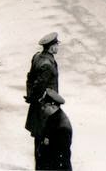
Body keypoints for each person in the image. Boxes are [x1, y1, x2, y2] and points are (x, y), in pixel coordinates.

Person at [26, 33, 60, 165]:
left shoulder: (37, 57)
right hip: (45, 106)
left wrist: (30, 97)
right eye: (56, 45)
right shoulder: (47, 64)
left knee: (40, 137)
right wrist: (35, 98)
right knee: (45, 137)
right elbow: (39, 86)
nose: (58, 47)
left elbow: (29, 78)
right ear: (51, 47)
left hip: (39, 104)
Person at [36, 89, 72, 170]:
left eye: (44, 106)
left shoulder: (62, 128)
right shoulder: (53, 117)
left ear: (52, 106)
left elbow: (60, 159)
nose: (42, 108)